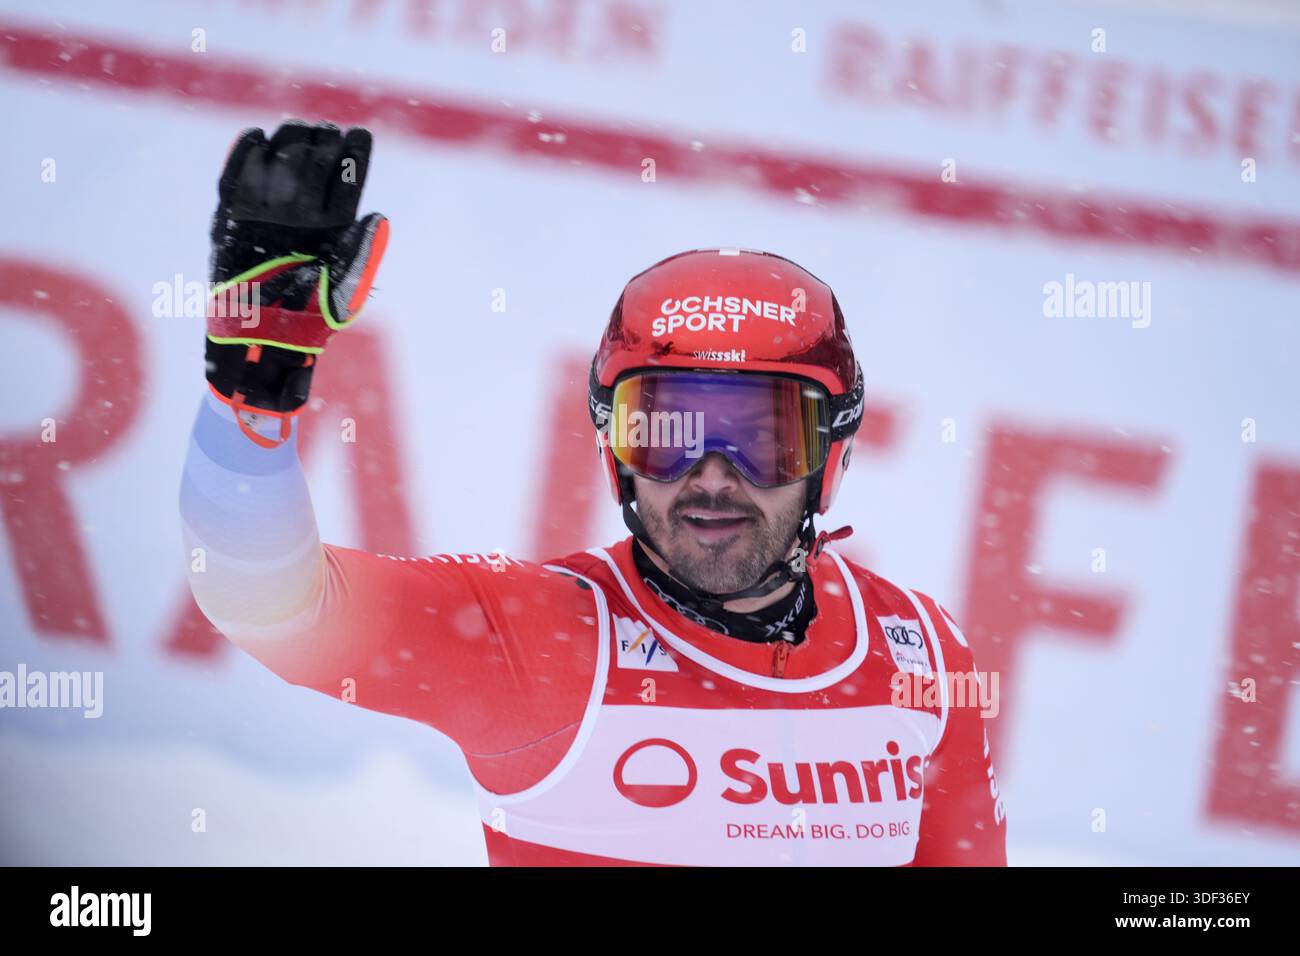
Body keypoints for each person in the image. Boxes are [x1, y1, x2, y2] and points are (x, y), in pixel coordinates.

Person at [181, 120, 1008, 866]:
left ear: (830, 454)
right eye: (668, 431)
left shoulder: (921, 655)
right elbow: (268, 603)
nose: (710, 475)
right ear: (616, 450)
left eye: (762, 437)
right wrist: (251, 400)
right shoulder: (543, 641)